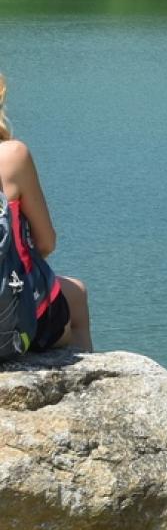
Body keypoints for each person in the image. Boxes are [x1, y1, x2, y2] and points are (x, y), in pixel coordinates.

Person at [0, 76, 91, 352]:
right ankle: (86, 385)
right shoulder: (12, 156)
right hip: (8, 327)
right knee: (76, 296)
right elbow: (46, 243)